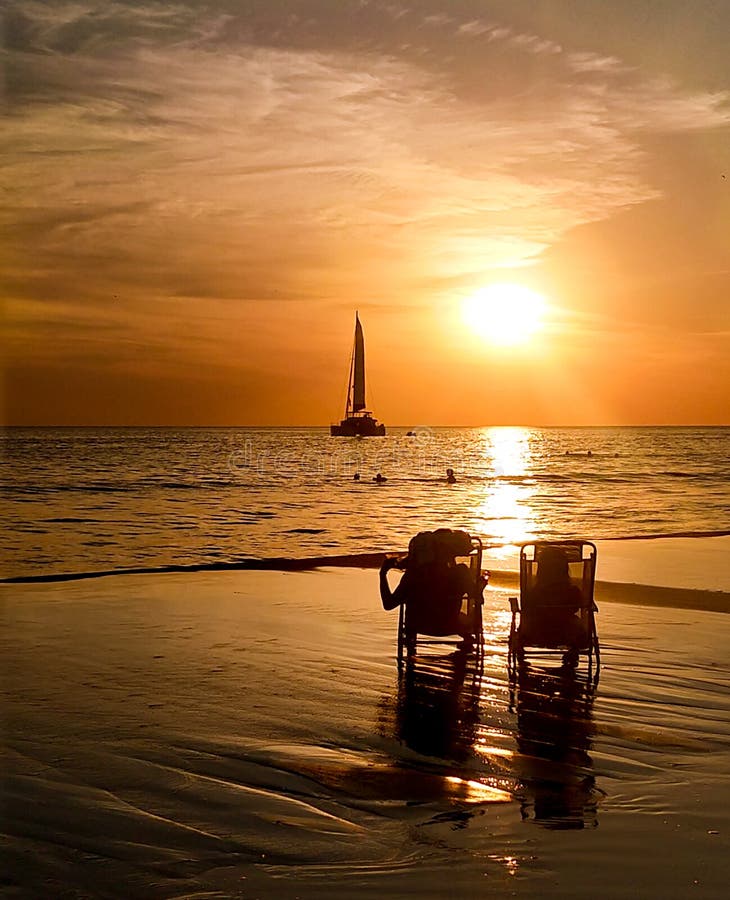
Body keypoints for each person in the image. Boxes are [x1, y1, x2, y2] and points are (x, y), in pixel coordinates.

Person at [380, 529, 485, 643]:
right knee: (463, 618)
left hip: (419, 625)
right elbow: (477, 598)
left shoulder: (413, 575)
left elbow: (388, 604)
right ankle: (467, 644)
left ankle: (411, 649)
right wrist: (480, 586)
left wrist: (382, 574)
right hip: (450, 624)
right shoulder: (460, 573)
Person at [523, 546, 587, 665]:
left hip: (538, 632)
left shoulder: (535, 592)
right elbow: (577, 606)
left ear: (541, 570)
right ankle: (573, 653)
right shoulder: (572, 591)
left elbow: (528, 607)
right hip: (566, 633)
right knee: (576, 625)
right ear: (564, 570)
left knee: (530, 620)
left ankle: (522, 660)